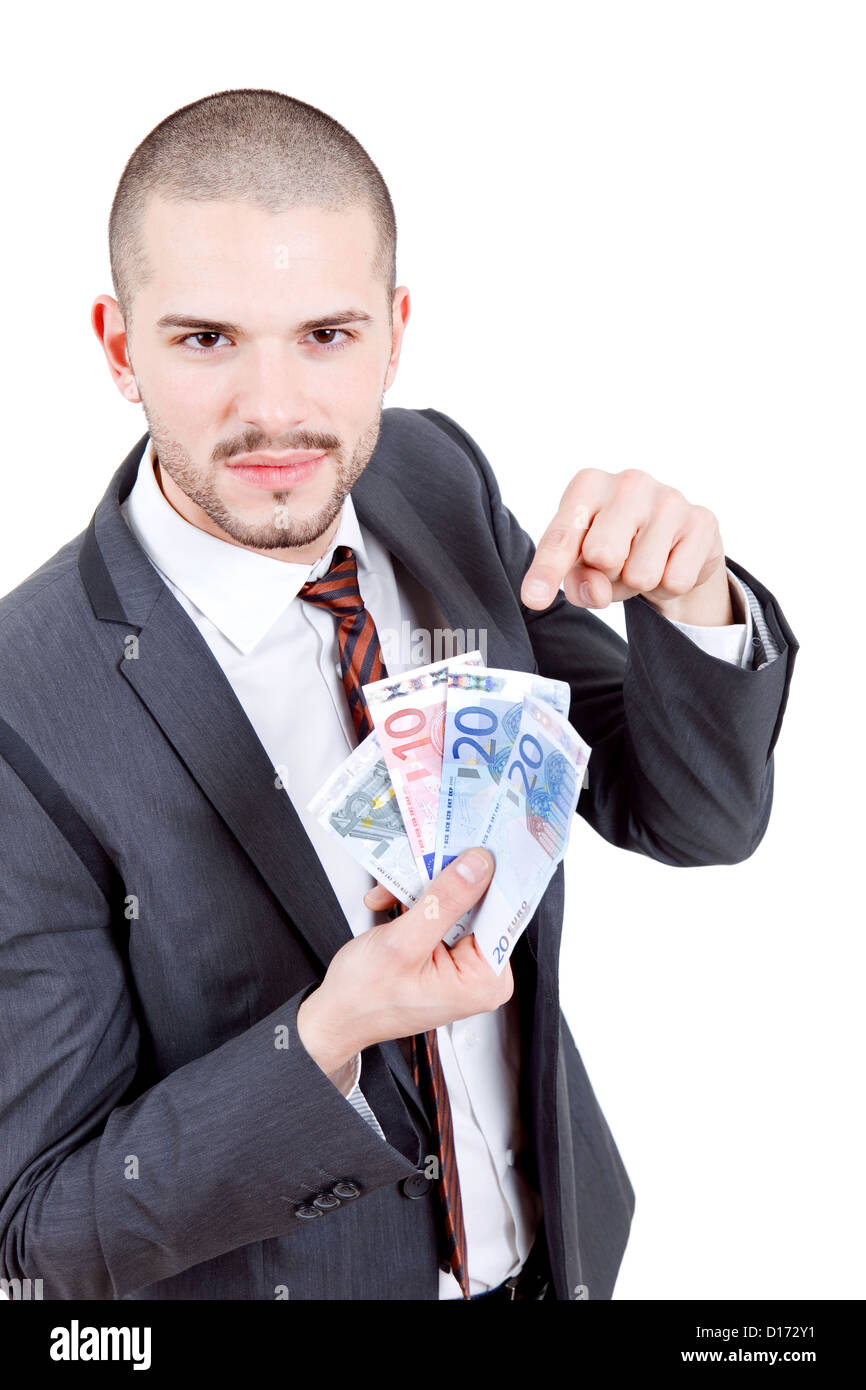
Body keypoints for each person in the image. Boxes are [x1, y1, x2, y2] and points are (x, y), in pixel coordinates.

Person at [0, 88, 798, 1301]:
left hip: (560, 1262)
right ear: (119, 347)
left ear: (393, 328)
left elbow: (686, 814)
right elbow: (47, 1228)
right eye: (206, 338)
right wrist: (324, 1038)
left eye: (324, 334)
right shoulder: (23, 702)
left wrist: (691, 604)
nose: (273, 411)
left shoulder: (432, 473)